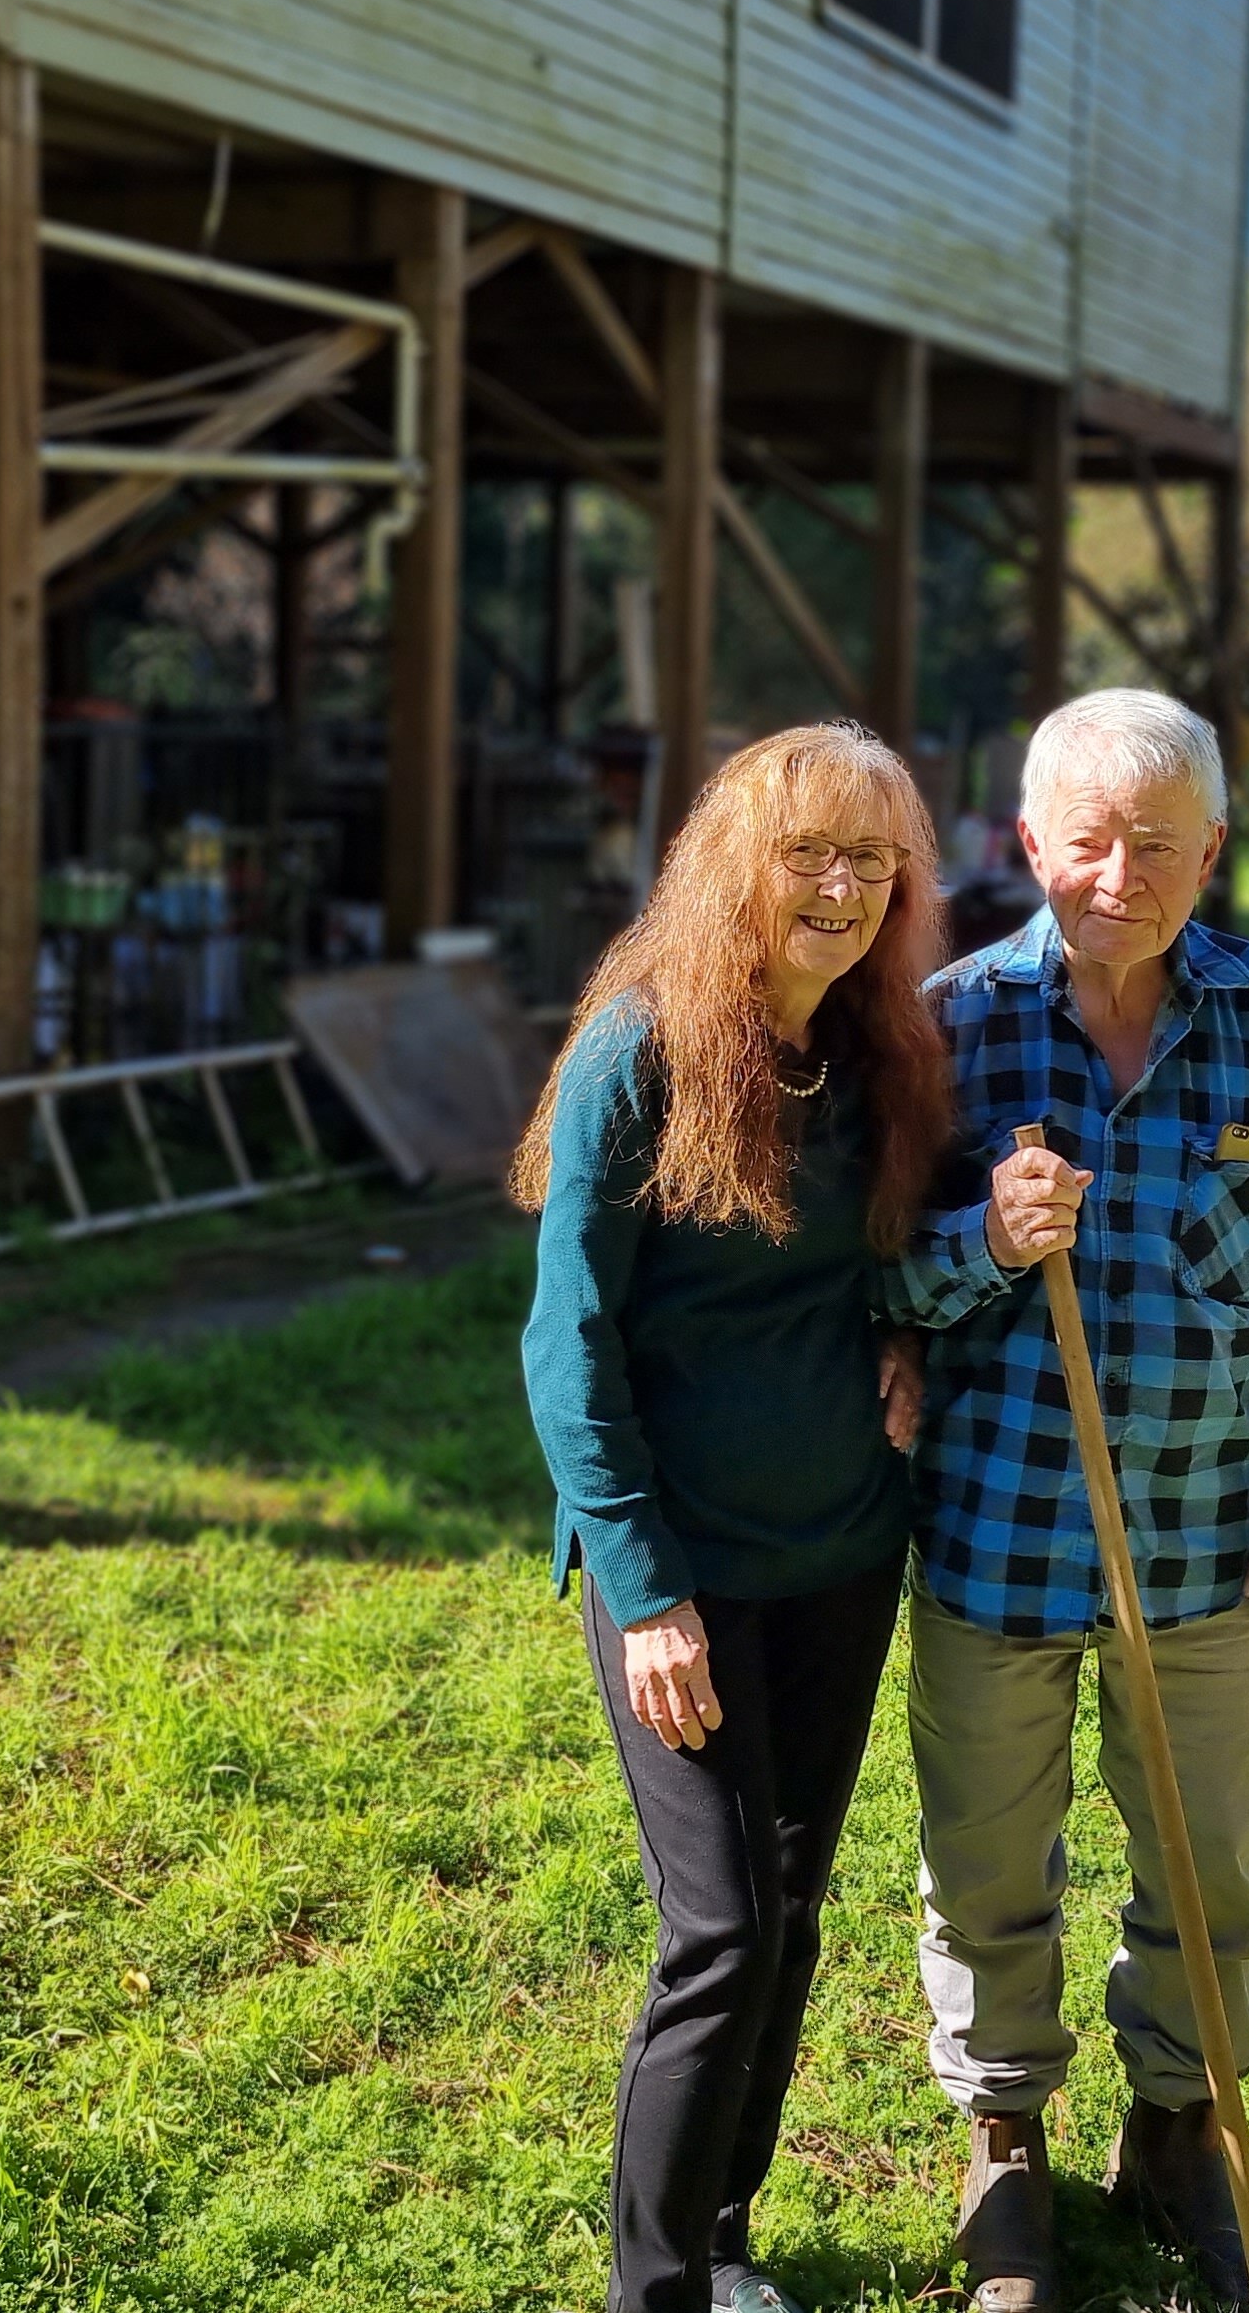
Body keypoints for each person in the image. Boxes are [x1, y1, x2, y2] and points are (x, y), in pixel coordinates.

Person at [882, 688, 1249, 2313]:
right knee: (985, 1864)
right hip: (997, 1527)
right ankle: (1004, 2146)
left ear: (1212, 850)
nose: (1120, 875)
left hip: (1211, 1537)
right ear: (1030, 842)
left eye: (1158, 844)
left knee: (1208, 1867)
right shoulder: (950, 1023)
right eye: (1089, 840)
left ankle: (1176, 2130)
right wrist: (983, 1242)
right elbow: (873, 1289)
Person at [516, 723, 956, 2313]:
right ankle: (655, 2292)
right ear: (733, 866)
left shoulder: (881, 1051)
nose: (840, 888)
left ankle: (718, 2239)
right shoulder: (640, 1051)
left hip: (842, 1544)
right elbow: (567, 1340)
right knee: (722, 1933)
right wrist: (642, 1592)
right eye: (806, 853)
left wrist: (908, 1340)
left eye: (871, 860)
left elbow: (888, 1263)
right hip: (684, 1566)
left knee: (793, 1910)